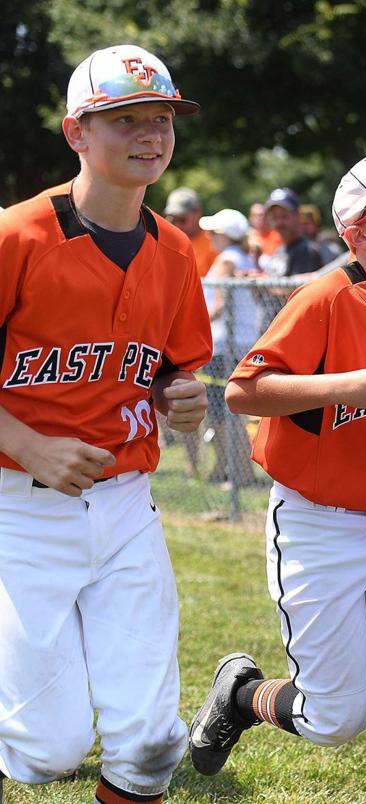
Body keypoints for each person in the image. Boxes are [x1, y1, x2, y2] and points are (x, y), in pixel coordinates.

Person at [188, 150, 366, 801]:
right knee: (332, 718)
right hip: (319, 523)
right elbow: (243, 392)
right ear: (359, 233)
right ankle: (240, 695)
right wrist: (346, 386)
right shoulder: (325, 296)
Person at [0, 44, 210, 804]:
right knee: (45, 754)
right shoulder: (17, 238)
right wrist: (26, 444)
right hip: (19, 506)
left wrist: (179, 397)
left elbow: (171, 372)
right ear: (76, 132)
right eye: (123, 118)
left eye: (161, 118)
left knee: (152, 741)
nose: (149, 133)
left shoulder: (177, 251)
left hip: (125, 503)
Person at [198, 208, 258, 484]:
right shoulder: (243, 257)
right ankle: (232, 470)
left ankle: (230, 470)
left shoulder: (226, 260)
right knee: (231, 413)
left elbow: (219, 305)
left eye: (213, 232)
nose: (208, 237)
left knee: (221, 414)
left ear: (225, 236)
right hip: (240, 341)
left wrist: (192, 325)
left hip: (224, 343)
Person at [260, 187, 325, 277]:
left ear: (297, 216)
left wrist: (264, 284)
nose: (279, 222)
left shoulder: (307, 251)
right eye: (274, 217)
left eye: (284, 216)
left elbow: (297, 289)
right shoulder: (280, 250)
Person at [164, 186, 217, 275]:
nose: (177, 224)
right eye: (172, 219)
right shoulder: (164, 241)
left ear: (197, 212)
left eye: (182, 219)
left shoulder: (213, 242)